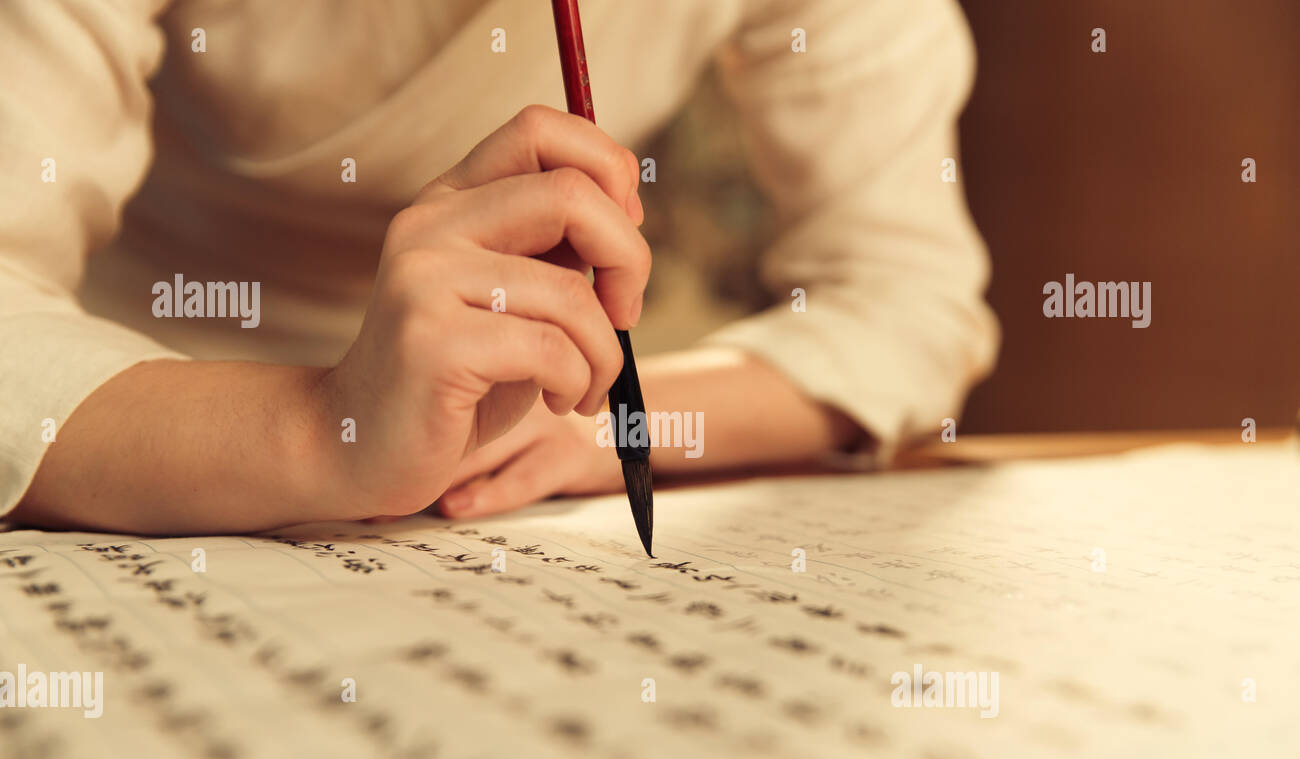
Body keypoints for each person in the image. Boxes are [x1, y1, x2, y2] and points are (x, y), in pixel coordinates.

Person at [0, 0, 997, 534]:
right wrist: (319, 428)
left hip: (519, 434)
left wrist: (608, 427)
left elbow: (906, 297)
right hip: (138, 411)